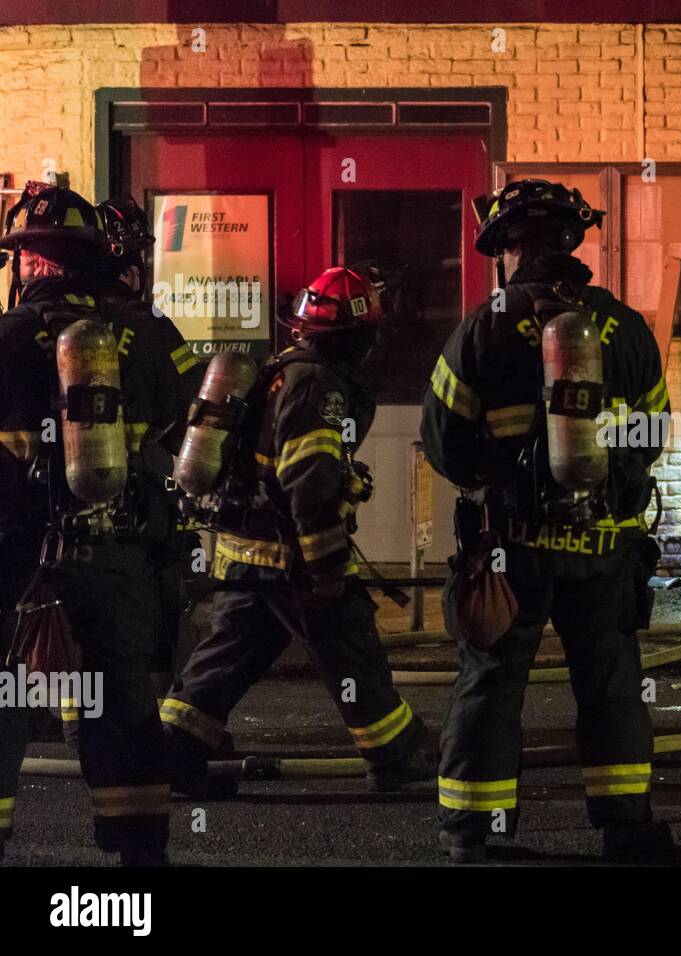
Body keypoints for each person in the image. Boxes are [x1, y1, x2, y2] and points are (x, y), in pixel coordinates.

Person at [421, 178, 672, 863]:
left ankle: (475, 832)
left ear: (509, 249)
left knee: (493, 681)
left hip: (511, 550)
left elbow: (443, 442)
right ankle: (626, 826)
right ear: (572, 242)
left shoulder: (484, 324)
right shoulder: (625, 325)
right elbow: (651, 435)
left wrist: (497, 480)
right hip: (604, 547)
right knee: (611, 680)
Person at [160, 265, 431, 796]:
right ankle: (394, 754)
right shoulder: (319, 384)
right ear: (360, 335)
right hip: (291, 553)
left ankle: (174, 752)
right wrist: (327, 565)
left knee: (227, 655)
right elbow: (308, 476)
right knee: (348, 644)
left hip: (249, 546)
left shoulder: (285, 369)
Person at [0, 184, 182, 865]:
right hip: (118, 557)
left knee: (7, 702)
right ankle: (138, 862)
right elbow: (172, 423)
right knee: (124, 707)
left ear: (32, 264)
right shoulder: (142, 335)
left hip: (17, 566)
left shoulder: (8, 337)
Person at [98, 195, 202, 702]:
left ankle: (72, 712)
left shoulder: (46, 326)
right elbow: (191, 399)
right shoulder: (152, 327)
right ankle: (161, 714)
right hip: (145, 493)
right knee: (160, 595)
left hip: (62, 501)